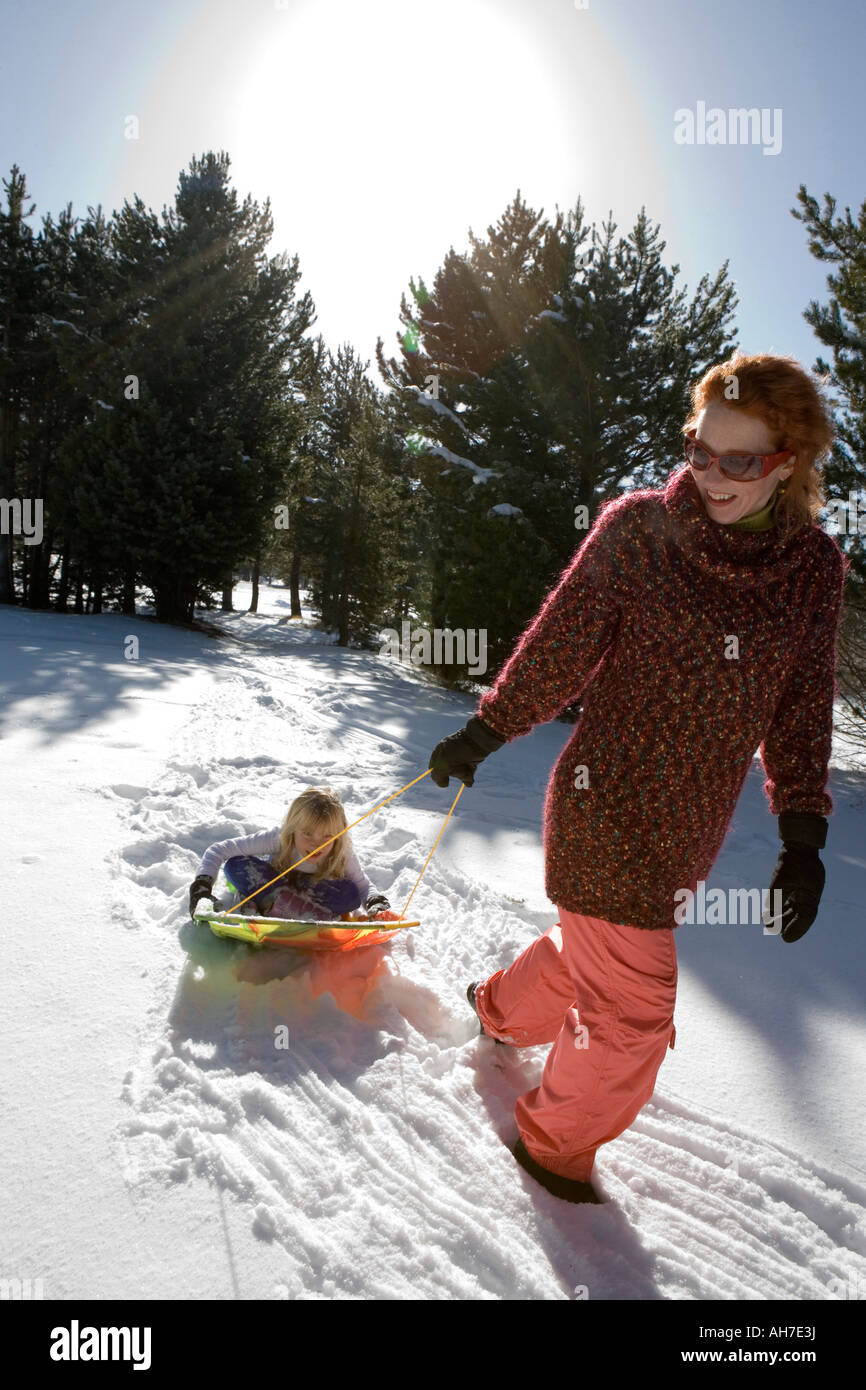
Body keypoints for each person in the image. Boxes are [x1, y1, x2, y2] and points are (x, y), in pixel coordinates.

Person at [428, 351, 849, 1206]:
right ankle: (552, 1144)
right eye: (700, 449)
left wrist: (802, 833)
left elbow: (802, 708)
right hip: (600, 805)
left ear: (790, 463)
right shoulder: (638, 531)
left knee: (590, 952)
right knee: (632, 1017)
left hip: (688, 830)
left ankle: (498, 1011)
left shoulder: (812, 571)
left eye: (741, 460)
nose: (711, 475)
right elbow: (561, 646)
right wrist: (488, 729)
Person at [188, 785, 394, 923]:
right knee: (236, 866)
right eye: (307, 834)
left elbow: (363, 885)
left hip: (313, 892)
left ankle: (285, 908)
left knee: (350, 893)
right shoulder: (279, 838)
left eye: (327, 837)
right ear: (293, 829)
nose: (317, 845)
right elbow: (218, 850)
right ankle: (281, 904)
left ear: (338, 835)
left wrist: (376, 904)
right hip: (274, 885)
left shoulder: (341, 851)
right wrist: (201, 888)